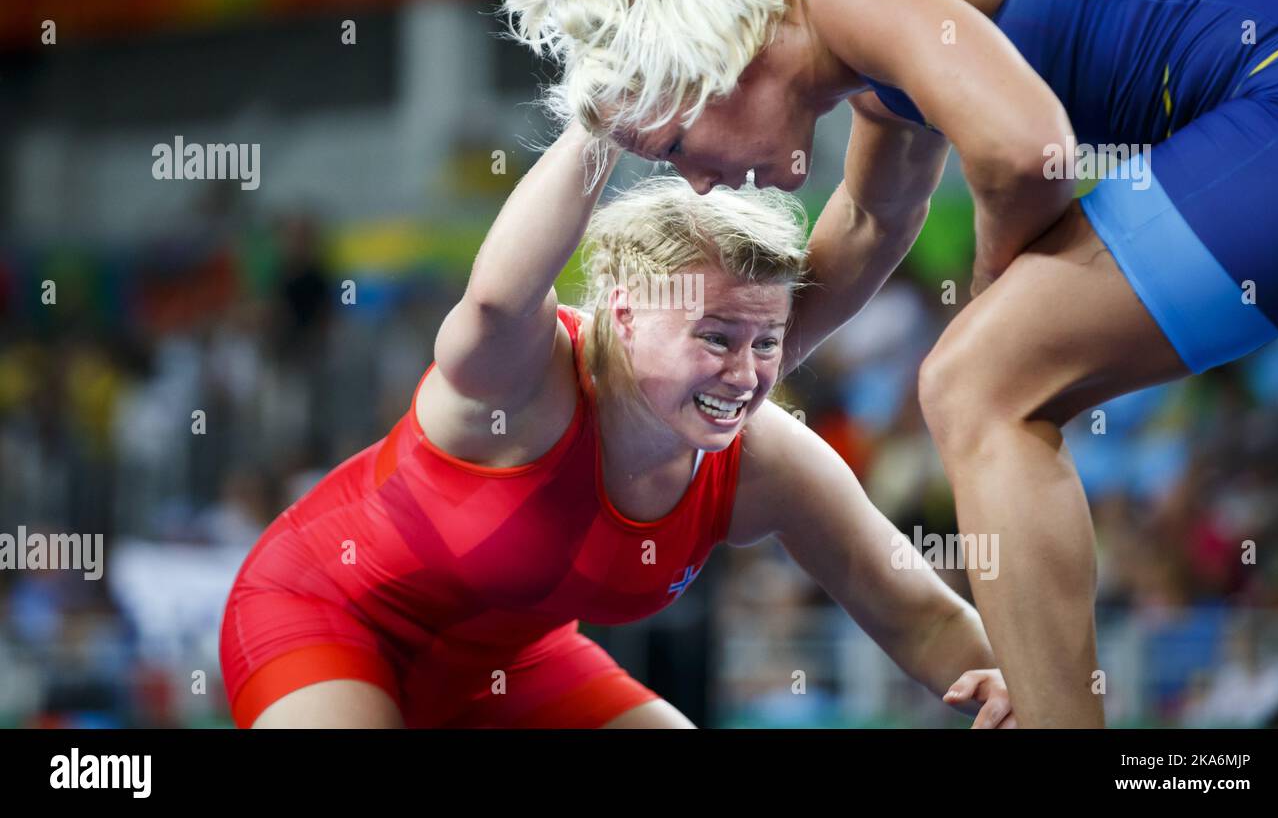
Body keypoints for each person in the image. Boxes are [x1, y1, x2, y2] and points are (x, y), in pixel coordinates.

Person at [491, 0, 1278, 726]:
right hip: (1269, 102)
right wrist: (710, 382)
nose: (697, 183)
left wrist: (993, 292)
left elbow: (1028, 151)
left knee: (977, 383)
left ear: (714, 67)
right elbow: (872, 223)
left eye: (675, 148)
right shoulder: (872, 48)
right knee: (981, 377)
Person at [219, 123, 1013, 728]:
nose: (744, 377)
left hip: (511, 659)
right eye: (715, 339)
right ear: (623, 315)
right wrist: (600, 118)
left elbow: (921, 613)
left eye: (767, 343)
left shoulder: (763, 457)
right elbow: (496, 299)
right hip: (323, 615)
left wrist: (1027, 694)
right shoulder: (525, 378)